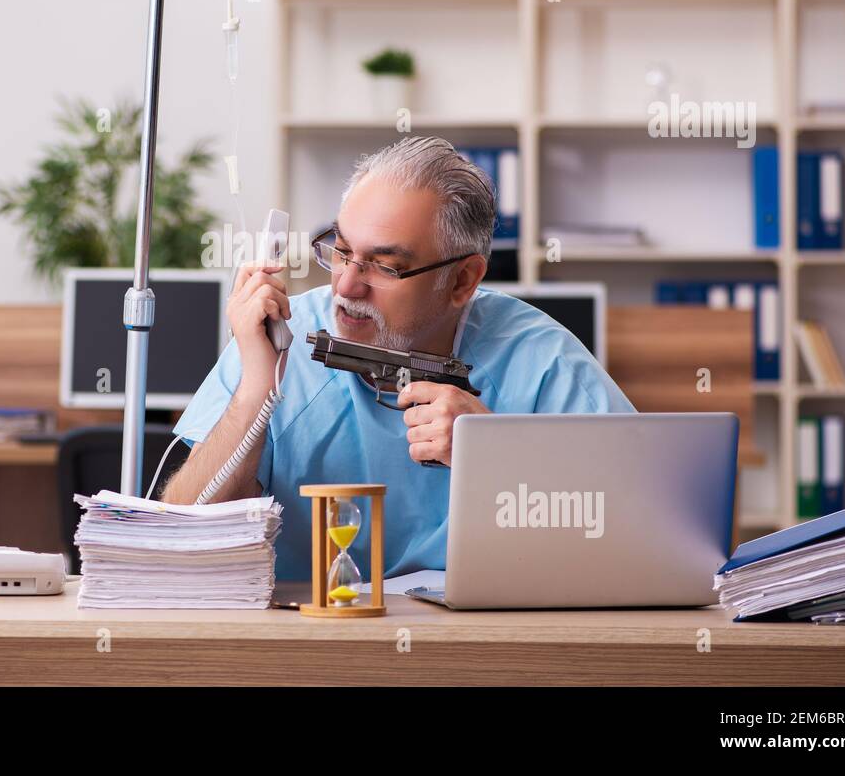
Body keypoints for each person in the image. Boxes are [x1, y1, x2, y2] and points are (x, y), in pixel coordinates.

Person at [162, 135, 634, 581]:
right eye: (342, 251)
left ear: (462, 281)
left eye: (386, 267)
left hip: (478, 652)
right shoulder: (280, 336)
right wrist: (254, 394)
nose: (346, 287)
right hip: (307, 645)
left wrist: (502, 459)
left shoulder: (540, 360)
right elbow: (177, 542)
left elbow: (647, 528)